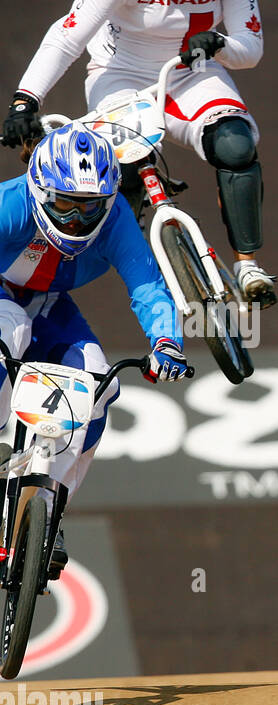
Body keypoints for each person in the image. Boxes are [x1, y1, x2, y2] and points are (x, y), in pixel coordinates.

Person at [2, 0, 276, 306]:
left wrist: (220, 45)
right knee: (120, 169)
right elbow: (67, 36)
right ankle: (131, 223)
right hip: (120, 75)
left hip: (193, 74)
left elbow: (250, 48)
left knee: (235, 147)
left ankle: (248, 265)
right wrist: (26, 100)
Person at [0, 124, 189, 571]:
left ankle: (44, 508)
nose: (76, 221)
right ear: (39, 188)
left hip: (49, 305)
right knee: (11, 333)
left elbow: (148, 286)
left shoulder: (117, 217)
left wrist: (167, 343)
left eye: (90, 209)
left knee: (97, 384)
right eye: (64, 205)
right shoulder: (11, 204)